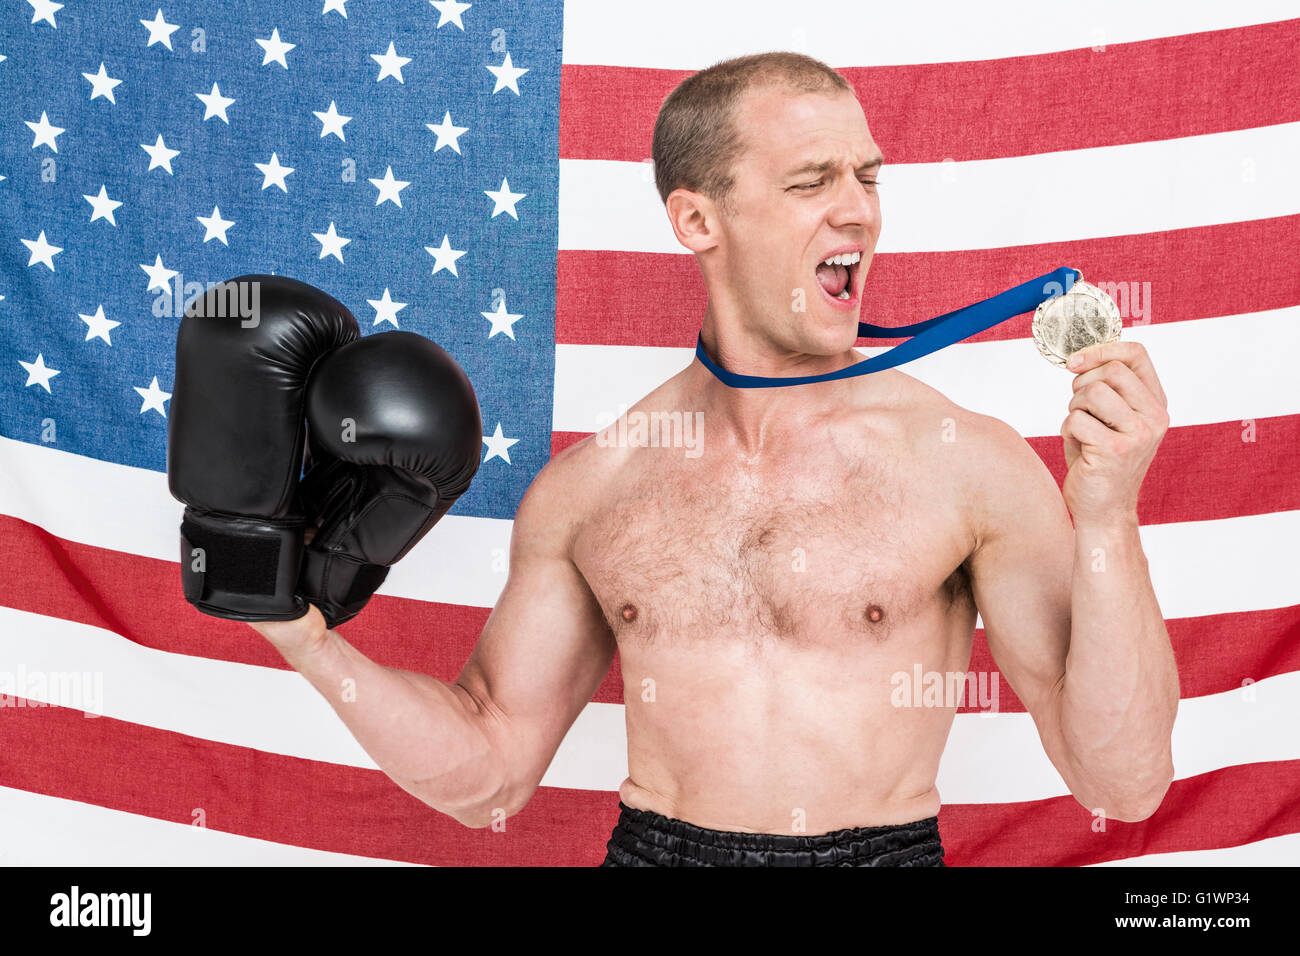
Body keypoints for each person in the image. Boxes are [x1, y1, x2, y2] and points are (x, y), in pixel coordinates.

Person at [248, 52, 1178, 866]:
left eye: (868, 176)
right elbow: (487, 775)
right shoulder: (594, 489)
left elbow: (1123, 783)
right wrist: (305, 639)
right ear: (698, 220)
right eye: (812, 181)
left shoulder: (968, 463)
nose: (858, 211)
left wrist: (1108, 512)